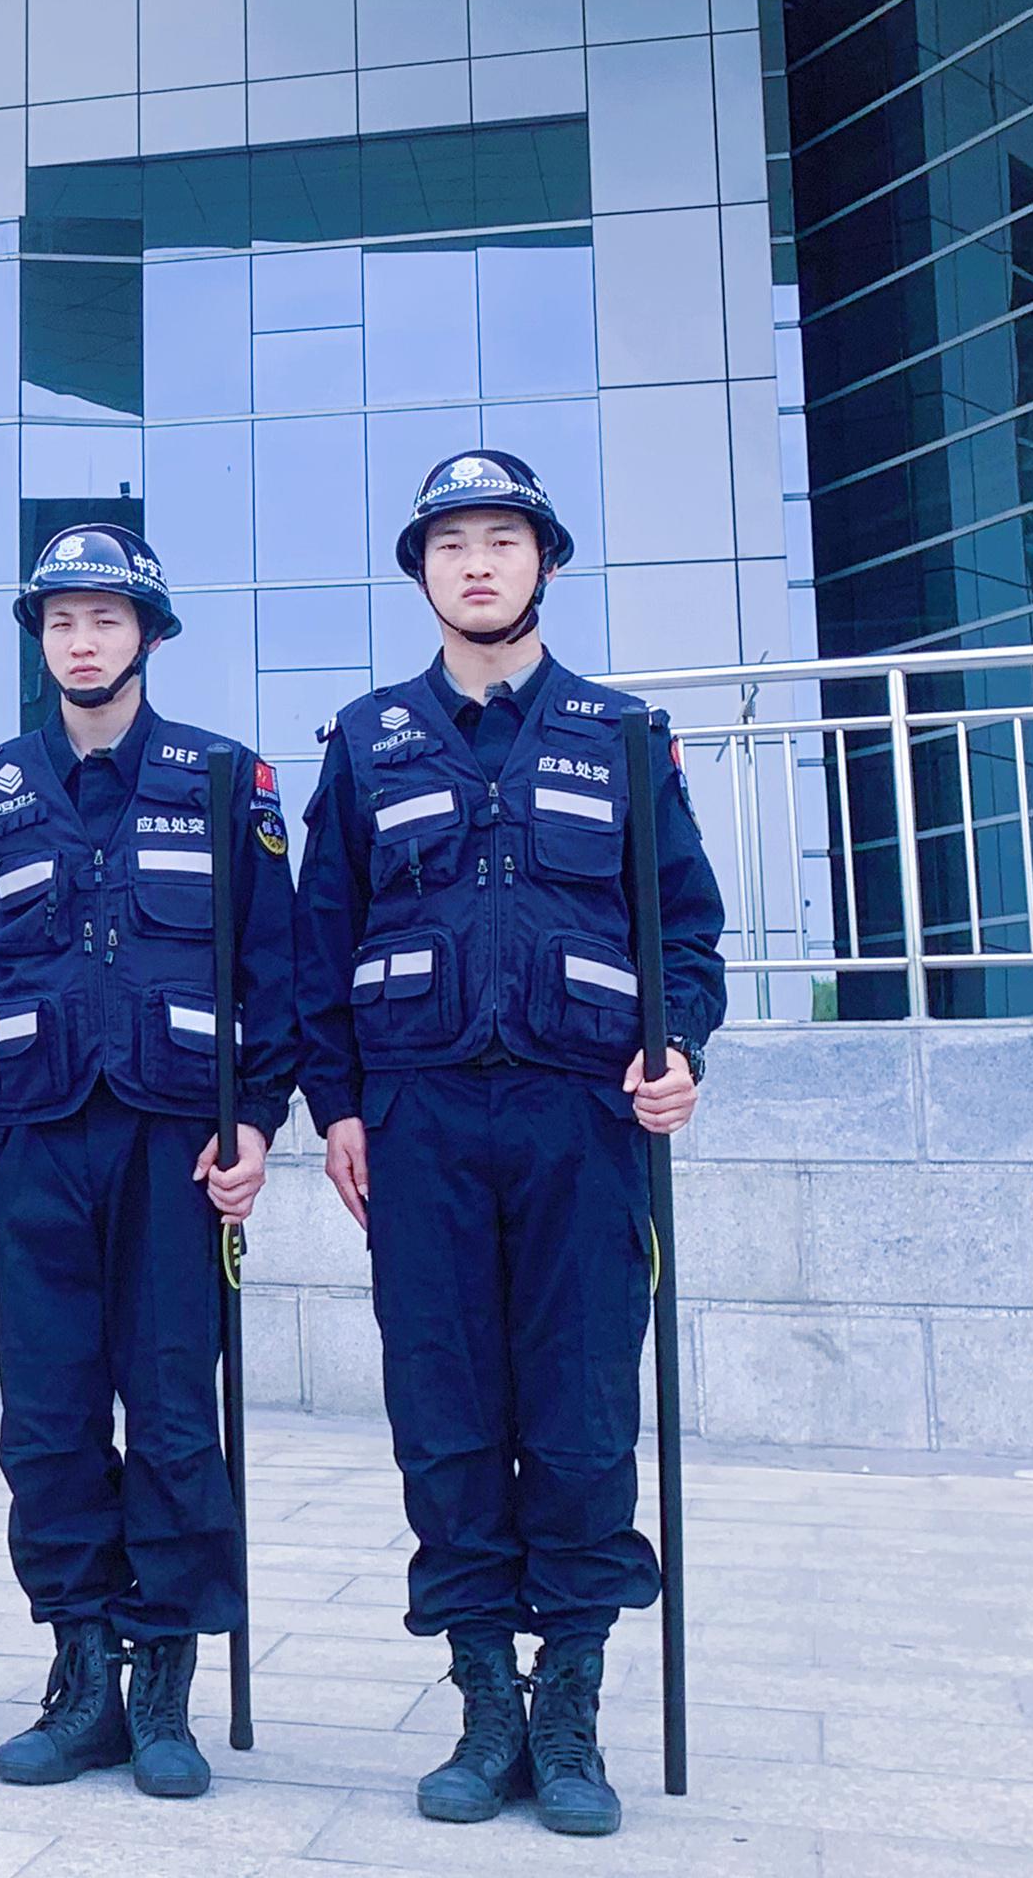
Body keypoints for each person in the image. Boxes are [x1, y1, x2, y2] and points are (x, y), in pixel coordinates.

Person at [294, 451, 722, 1839]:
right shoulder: (365, 742)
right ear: (419, 570)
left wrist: (677, 1048)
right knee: (445, 1412)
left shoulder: (622, 735)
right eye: (450, 544)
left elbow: (686, 933)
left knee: (582, 1411)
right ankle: (484, 1704)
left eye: (500, 540)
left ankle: (569, 1706)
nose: (474, 564)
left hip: (578, 1121)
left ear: (543, 560)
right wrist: (336, 1106)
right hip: (417, 1122)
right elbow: (315, 945)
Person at [0, 524, 295, 1802]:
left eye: (104, 618)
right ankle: (81, 1674)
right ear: (38, 640)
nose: (80, 641)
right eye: (59, 621)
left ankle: (161, 1689)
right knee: (45, 1422)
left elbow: (272, 969)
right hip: (37, 1139)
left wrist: (257, 1121)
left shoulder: (224, 778)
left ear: (147, 632)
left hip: (172, 1142)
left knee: (173, 1415)